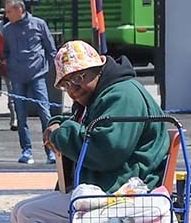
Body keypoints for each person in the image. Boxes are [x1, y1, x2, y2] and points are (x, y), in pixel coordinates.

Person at [11, 41, 169, 223]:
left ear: (98, 69)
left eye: (78, 78)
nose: (73, 89)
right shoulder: (102, 95)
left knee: (28, 214)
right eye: (66, 84)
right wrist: (57, 124)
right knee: (19, 210)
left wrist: (59, 134)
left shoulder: (122, 95)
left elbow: (105, 152)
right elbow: (79, 123)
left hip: (126, 190)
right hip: (109, 184)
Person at [1, 0, 57, 165]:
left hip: (37, 74)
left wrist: (52, 71)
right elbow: (6, 51)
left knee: (44, 112)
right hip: (17, 76)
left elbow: (51, 49)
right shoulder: (7, 29)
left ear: (20, 10)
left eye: (9, 11)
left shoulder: (39, 24)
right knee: (21, 114)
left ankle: (51, 151)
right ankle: (26, 150)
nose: (7, 14)